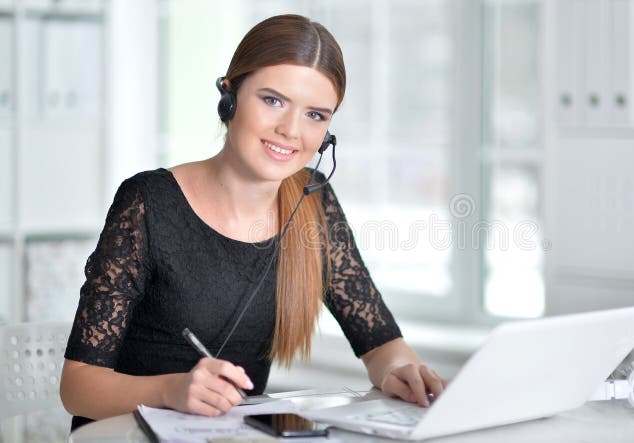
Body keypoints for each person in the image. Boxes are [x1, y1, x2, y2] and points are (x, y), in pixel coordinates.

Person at [60, 14, 446, 430]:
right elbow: (78, 387)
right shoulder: (148, 202)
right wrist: (170, 390)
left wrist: (401, 371)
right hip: (126, 434)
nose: (290, 131)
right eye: (273, 100)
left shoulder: (313, 203)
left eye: (315, 115)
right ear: (230, 96)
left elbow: (380, 344)